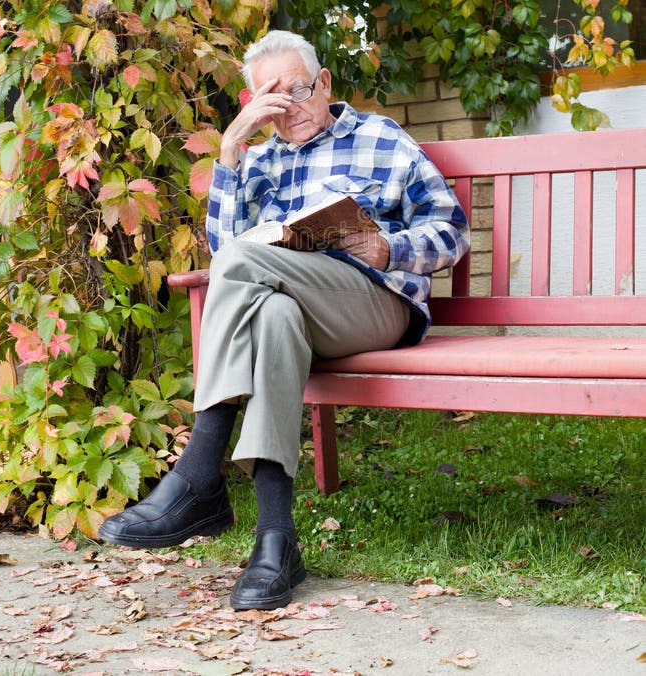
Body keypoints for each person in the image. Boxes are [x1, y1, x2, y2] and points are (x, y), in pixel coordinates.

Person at [99, 30, 470, 610]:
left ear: (323, 84)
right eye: (271, 101)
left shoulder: (380, 137)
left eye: (297, 91)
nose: (289, 110)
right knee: (271, 314)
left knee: (244, 263)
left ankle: (199, 473)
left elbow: (452, 231)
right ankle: (276, 542)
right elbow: (227, 259)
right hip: (299, 308)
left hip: (373, 302)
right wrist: (230, 152)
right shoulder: (261, 159)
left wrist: (387, 248)